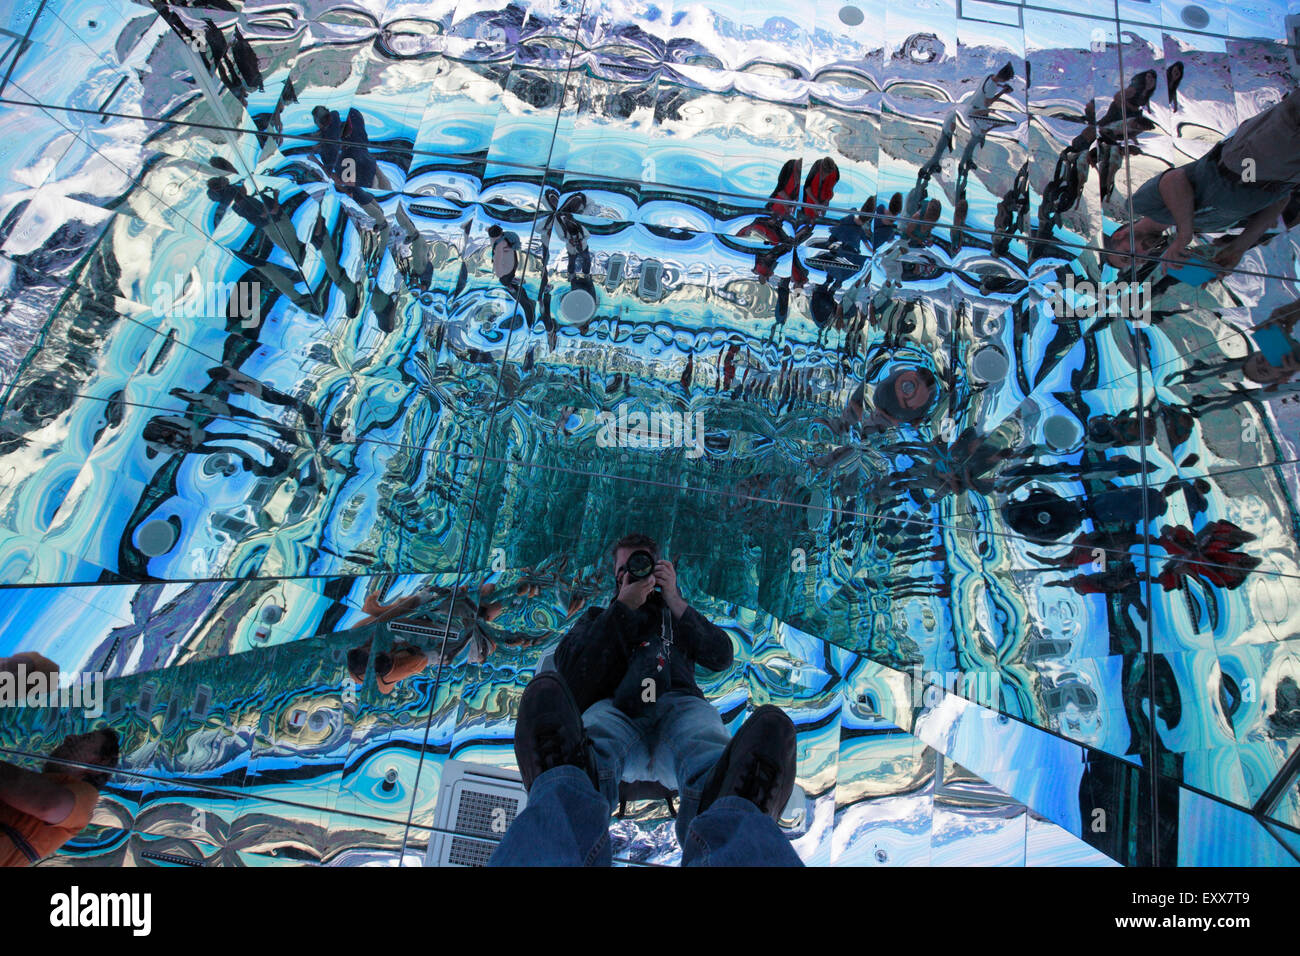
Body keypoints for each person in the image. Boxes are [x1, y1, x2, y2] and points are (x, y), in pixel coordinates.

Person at [489, 533, 802, 866]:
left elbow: (722, 655)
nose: (631, 575)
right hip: (617, 709)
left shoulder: (675, 615)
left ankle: (721, 797)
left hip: (678, 706)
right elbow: (571, 671)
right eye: (623, 570)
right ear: (615, 578)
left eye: (641, 566)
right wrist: (621, 609)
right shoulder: (598, 618)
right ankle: (732, 807)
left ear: (659, 571)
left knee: (702, 739)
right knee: (601, 735)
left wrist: (677, 601)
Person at [1104, 88, 1300, 273]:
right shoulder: (1205, 226)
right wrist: (1238, 248)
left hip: (1254, 156)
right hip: (1284, 180)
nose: (1138, 259)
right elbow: (1277, 203)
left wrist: (1184, 235)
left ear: (1120, 235)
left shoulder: (1141, 206)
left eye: (1127, 256)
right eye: (1137, 262)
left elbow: (1174, 179)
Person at [0, 728, 120, 867]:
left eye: (85, 738)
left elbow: (51, 805)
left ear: (99, 762)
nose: (69, 737)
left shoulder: (86, 795)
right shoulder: (43, 781)